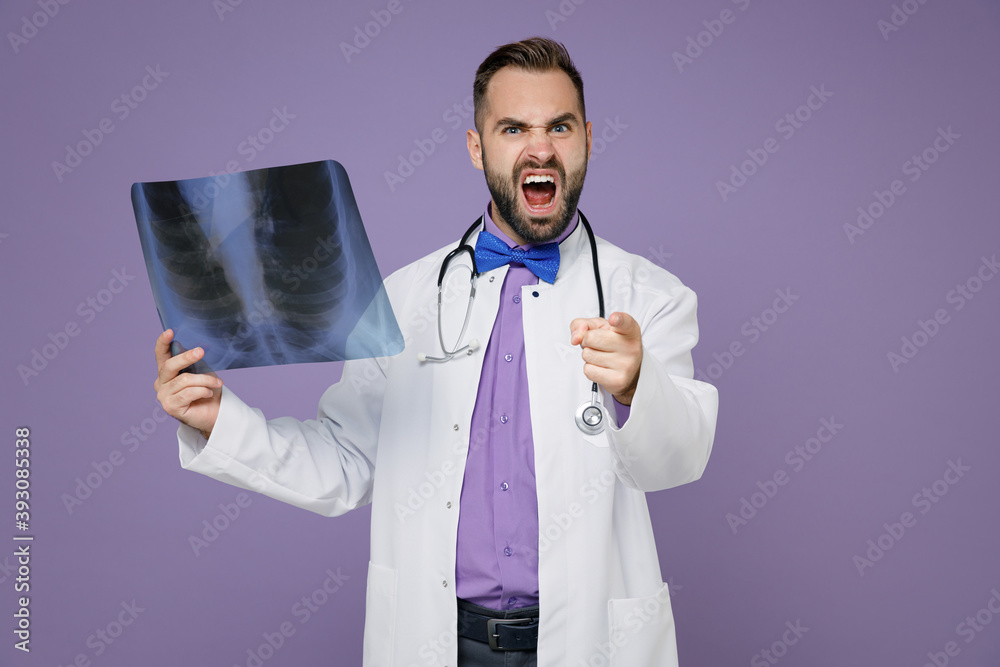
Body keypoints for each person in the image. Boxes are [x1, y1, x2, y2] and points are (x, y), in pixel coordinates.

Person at [154, 37, 718, 667]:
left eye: (559, 126)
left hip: (591, 644)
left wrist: (640, 385)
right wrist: (221, 422)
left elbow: (679, 457)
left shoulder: (649, 296)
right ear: (477, 148)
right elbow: (347, 462)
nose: (540, 148)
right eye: (512, 128)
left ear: (587, 137)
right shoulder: (404, 297)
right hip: (438, 642)